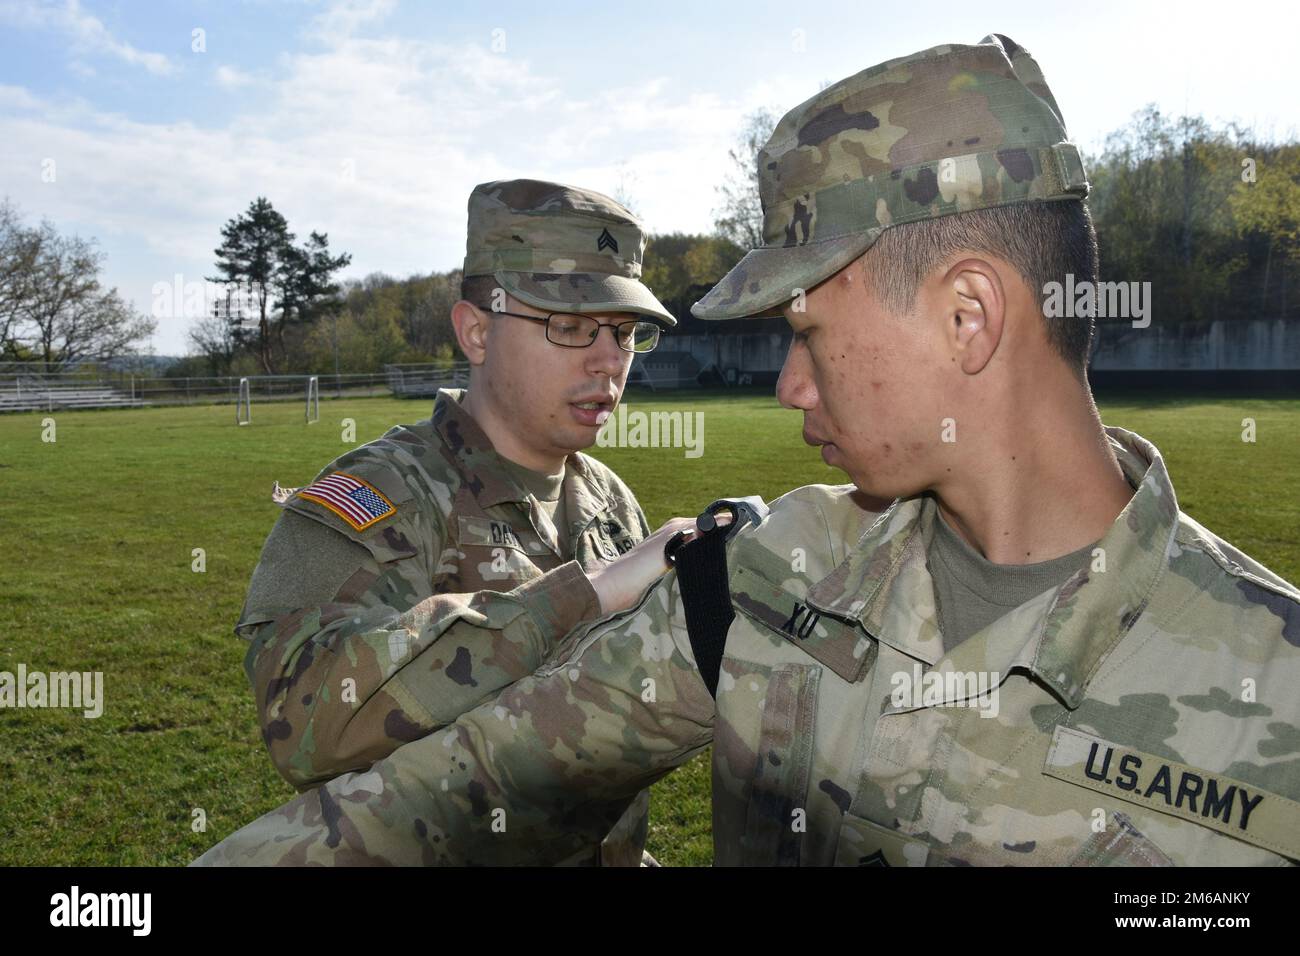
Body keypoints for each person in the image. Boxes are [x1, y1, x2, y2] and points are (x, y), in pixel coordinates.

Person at [196, 35, 1300, 867]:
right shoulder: (770, 580)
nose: (787, 386)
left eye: (807, 332)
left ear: (967, 317)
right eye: (569, 327)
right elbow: (442, 788)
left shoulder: (1277, 705)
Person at [228, 178, 692, 866]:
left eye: (625, 333)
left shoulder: (609, 500)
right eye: (569, 327)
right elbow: (303, 720)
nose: (607, 361)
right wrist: (582, 594)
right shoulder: (378, 496)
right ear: (476, 331)